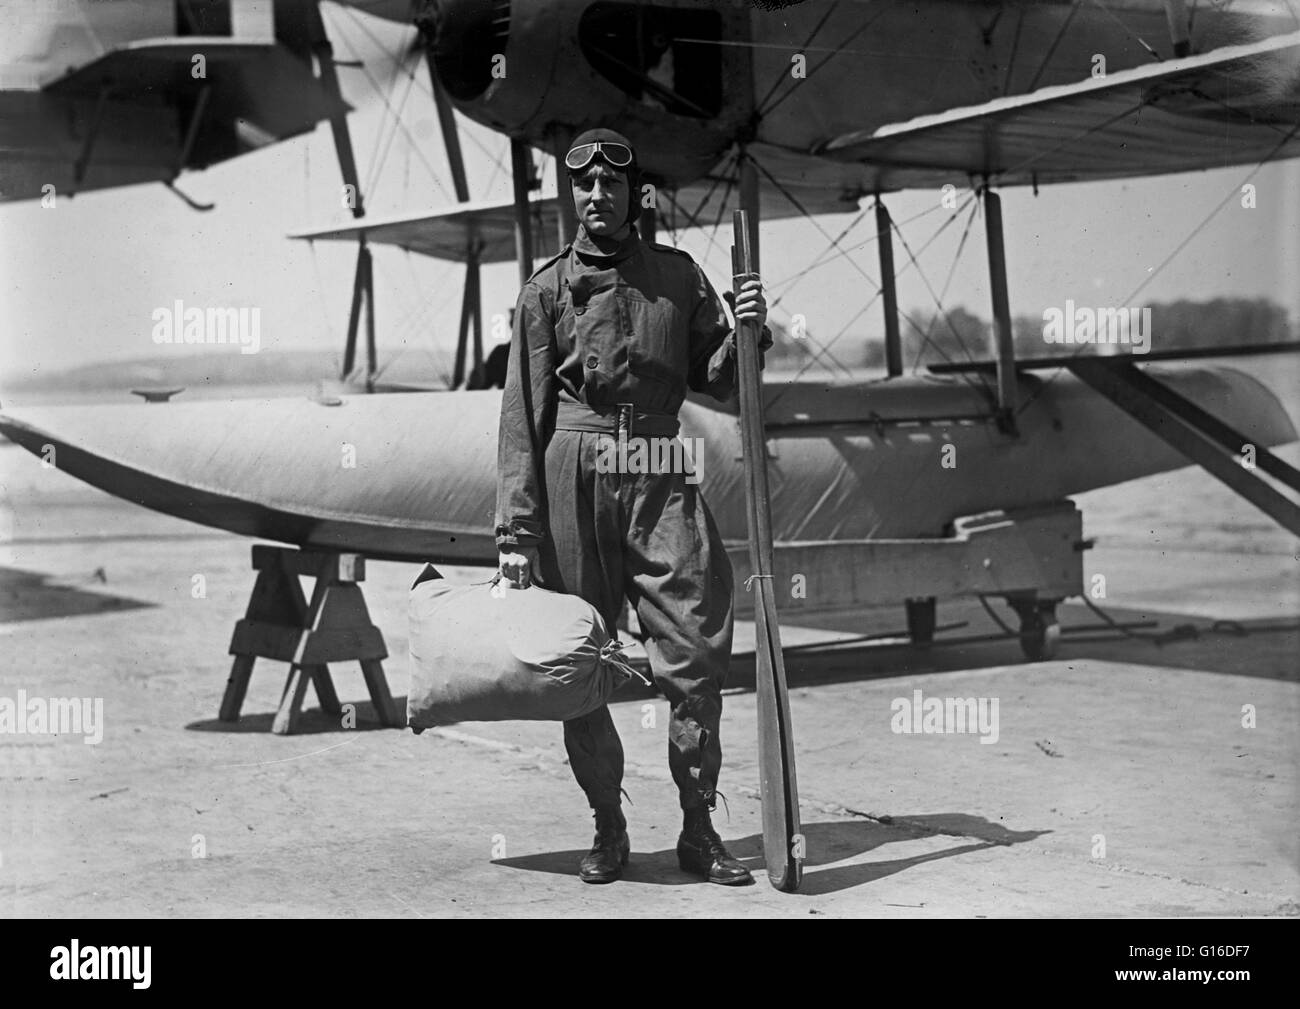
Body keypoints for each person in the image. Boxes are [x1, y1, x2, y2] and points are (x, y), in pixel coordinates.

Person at [495, 128, 770, 885]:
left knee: (695, 646)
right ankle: (609, 826)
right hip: (572, 476)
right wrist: (517, 532)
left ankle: (697, 826)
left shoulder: (678, 278)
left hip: (655, 464)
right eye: (583, 187)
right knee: (578, 660)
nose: (596, 197)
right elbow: (522, 412)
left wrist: (747, 329)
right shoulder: (544, 290)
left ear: (632, 194)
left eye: (611, 186)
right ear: (572, 195)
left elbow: (716, 374)